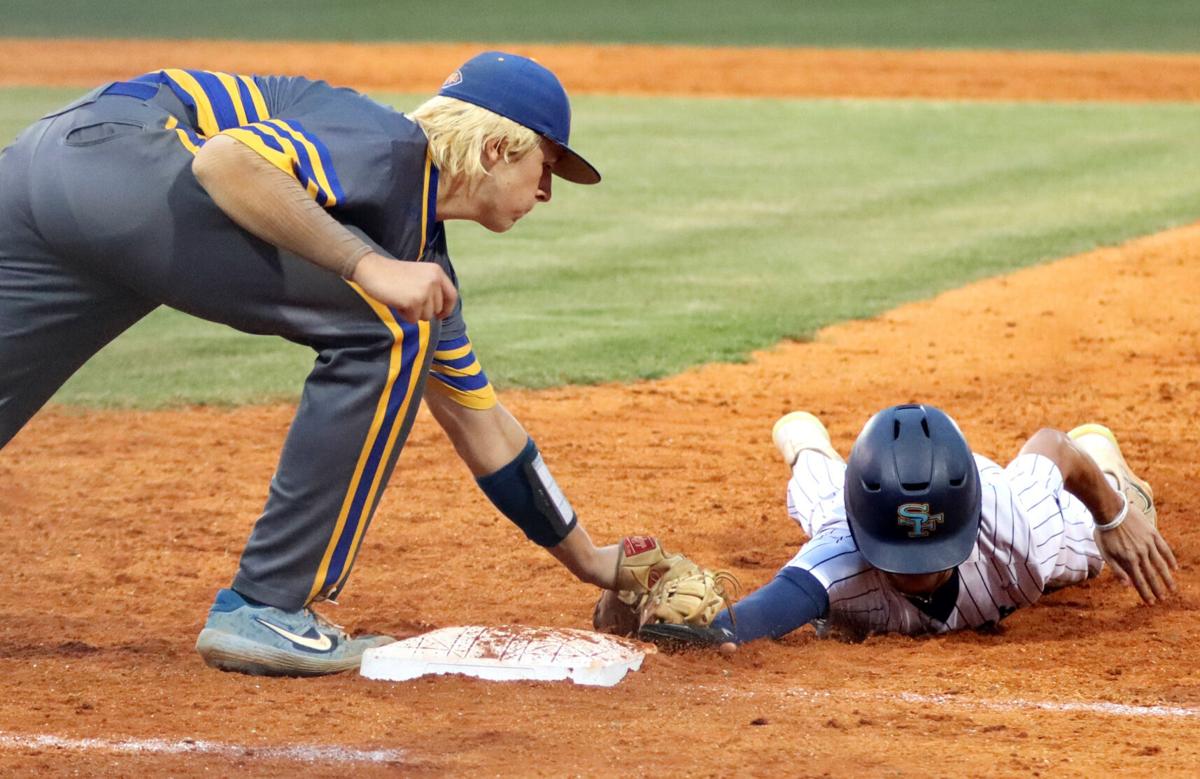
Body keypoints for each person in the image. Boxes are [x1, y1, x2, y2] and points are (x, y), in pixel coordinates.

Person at [0, 52, 697, 676]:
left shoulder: (415, 248)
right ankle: (268, 607)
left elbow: (480, 424)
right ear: (495, 149)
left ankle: (269, 605)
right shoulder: (387, 144)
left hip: (41, 171)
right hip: (133, 151)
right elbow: (225, 163)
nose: (546, 192)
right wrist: (365, 265)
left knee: (397, 321)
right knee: (389, 325)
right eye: (545, 167)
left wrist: (593, 560)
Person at [640, 404, 1177, 649]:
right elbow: (751, 618)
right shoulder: (838, 552)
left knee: (1107, 543)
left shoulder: (1018, 531)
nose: (918, 572)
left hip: (978, 493)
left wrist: (1114, 513)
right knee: (821, 495)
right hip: (865, 502)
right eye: (900, 556)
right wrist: (661, 621)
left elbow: (1053, 446)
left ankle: (1107, 455)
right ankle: (805, 439)